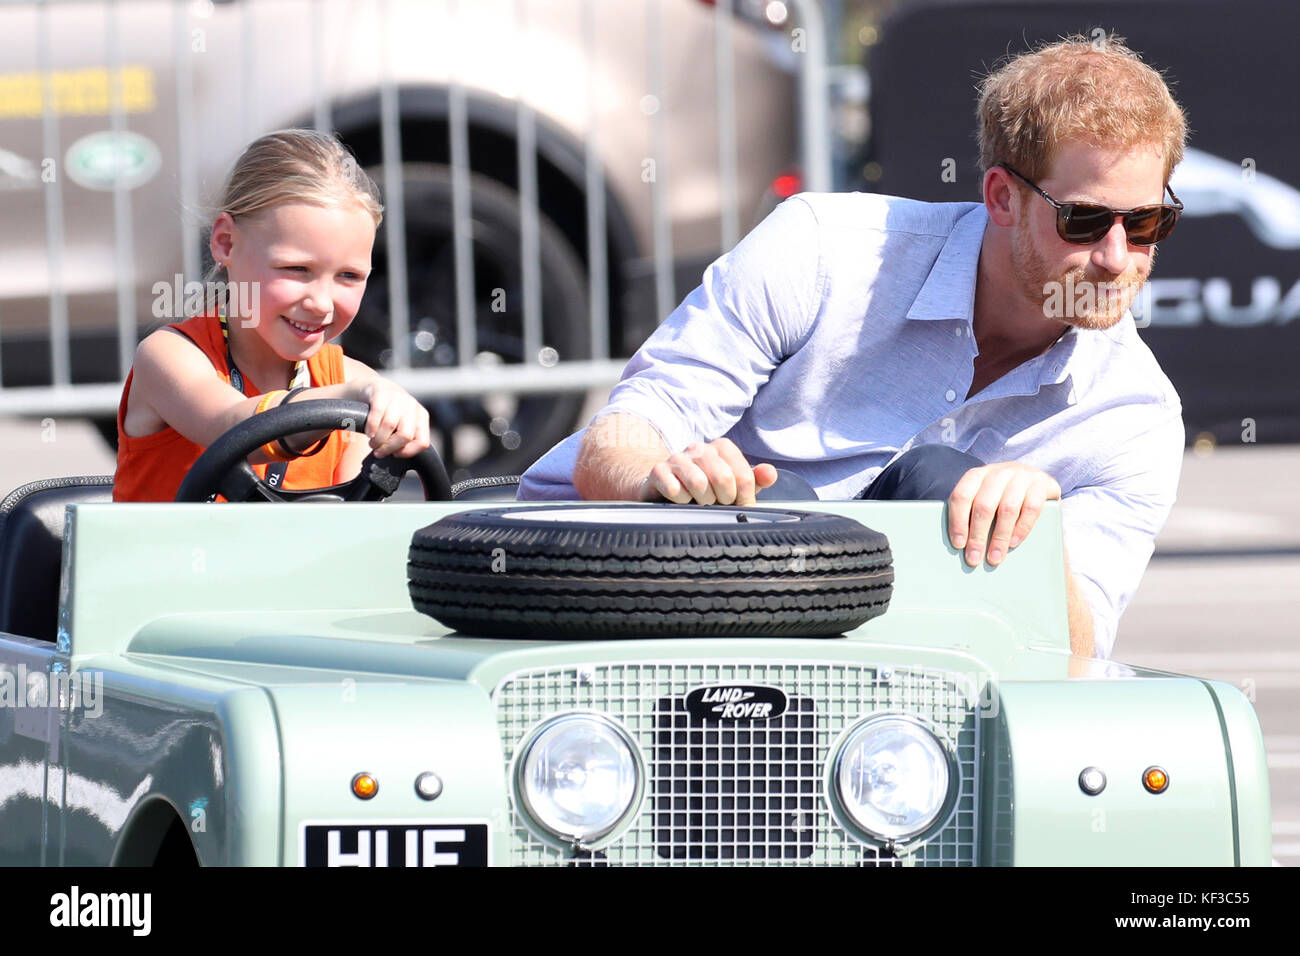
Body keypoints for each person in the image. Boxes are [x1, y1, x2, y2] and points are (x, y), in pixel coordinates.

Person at [517, 35, 1189, 660]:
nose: (1115, 256)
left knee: (940, 486)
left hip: (876, 693)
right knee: (775, 512)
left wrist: (1037, 549)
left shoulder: (1137, 418)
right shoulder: (824, 250)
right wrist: (669, 482)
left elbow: (1078, 657)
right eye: (1085, 219)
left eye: (1148, 222)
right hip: (590, 596)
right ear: (1001, 196)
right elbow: (618, 443)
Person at [114, 129, 430, 502]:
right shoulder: (170, 356)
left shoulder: (352, 382)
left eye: (349, 276)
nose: (322, 304)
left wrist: (396, 422)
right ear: (225, 243)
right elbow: (230, 427)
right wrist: (348, 400)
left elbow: (350, 529)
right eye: (296, 269)